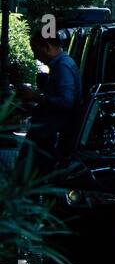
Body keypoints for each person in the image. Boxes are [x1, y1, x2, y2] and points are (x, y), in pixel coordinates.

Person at [13, 31, 82, 164]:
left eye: (36, 51)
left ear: (47, 47)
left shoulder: (62, 66)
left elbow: (66, 102)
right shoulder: (62, 64)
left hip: (51, 133)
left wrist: (35, 97)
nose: (35, 56)